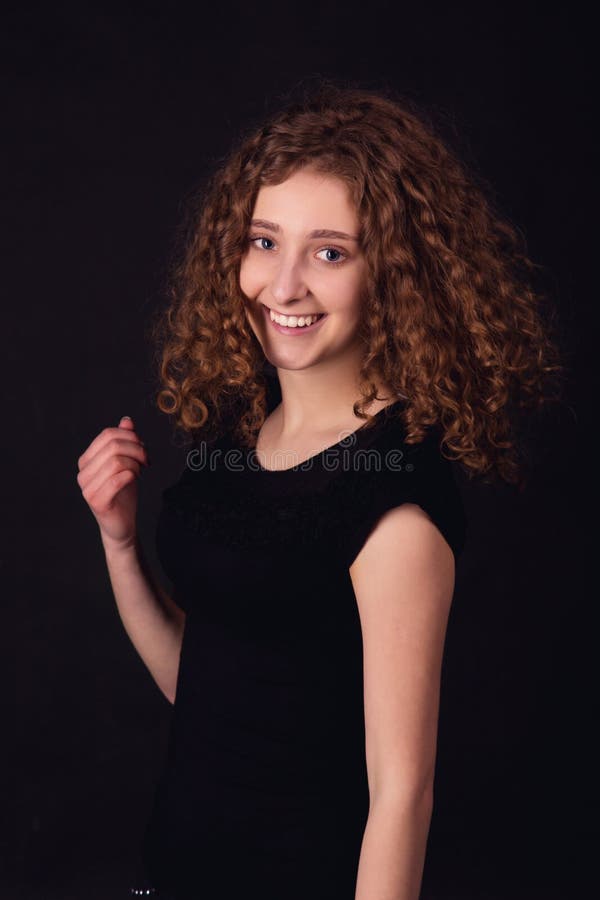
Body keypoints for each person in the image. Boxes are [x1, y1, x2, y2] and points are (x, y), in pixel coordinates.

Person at [77, 81, 566, 900]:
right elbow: (201, 687)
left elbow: (402, 796)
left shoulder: (396, 504)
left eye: (330, 252)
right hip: (172, 874)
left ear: (395, 275)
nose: (283, 285)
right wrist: (119, 541)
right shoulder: (241, 434)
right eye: (264, 242)